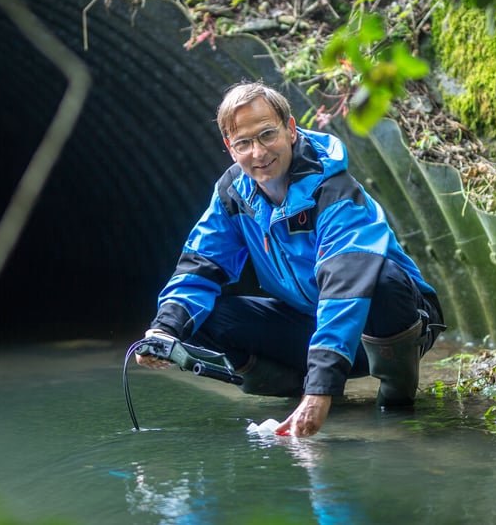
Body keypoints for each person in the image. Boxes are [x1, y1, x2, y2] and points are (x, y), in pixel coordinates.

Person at [136, 80, 444, 437]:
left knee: (382, 279)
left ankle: (396, 398)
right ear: (230, 148)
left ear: (291, 130)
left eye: (267, 134)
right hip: (308, 321)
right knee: (200, 318)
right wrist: (163, 330)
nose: (258, 152)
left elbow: (344, 290)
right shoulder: (231, 195)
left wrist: (321, 390)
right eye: (243, 143)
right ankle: (294, 388)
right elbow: (199, 266)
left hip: (382, 323)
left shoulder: (334, 191)